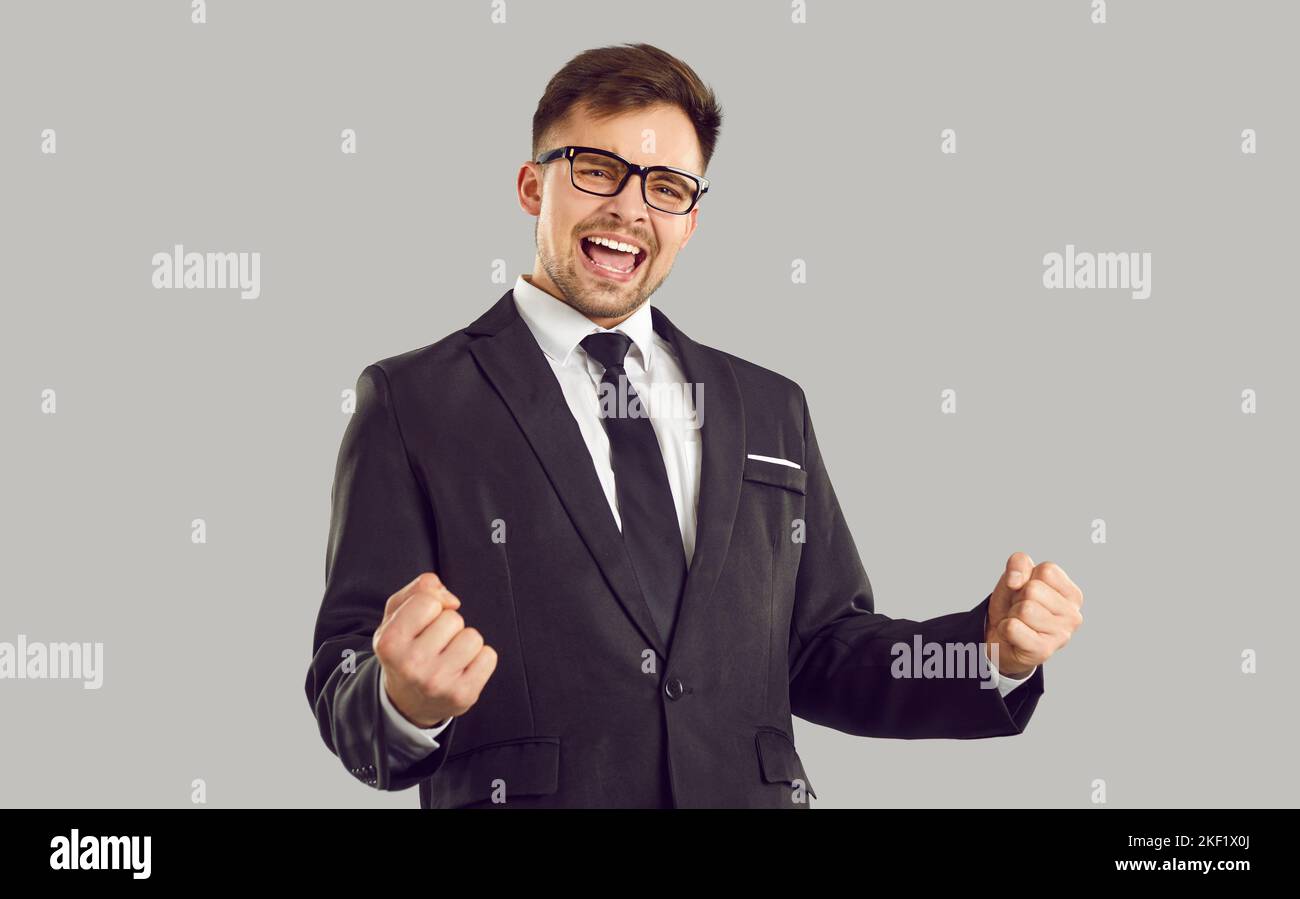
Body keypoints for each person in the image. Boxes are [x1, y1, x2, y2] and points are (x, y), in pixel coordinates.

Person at [304, 42, 1084, 809]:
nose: (630, 207)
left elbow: (820, 651)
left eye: (668, 186)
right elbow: (345, 669)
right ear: (530, 186)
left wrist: (983, 654)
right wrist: (404, 699)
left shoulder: (770, 405)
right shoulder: (412, 401)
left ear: (692, 219)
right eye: (598, 169)